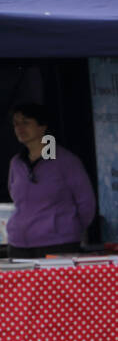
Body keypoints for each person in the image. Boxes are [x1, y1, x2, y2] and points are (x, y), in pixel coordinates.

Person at [6, 103, 96, 257]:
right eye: (16, 124)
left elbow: (86, 203)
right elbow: (15, 197)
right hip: (19, 244)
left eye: (26, 122)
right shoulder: (16, 162)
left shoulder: (66, 161)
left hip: (58, 243)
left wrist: (68, 229)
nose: (20, 128)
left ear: (42, 127)